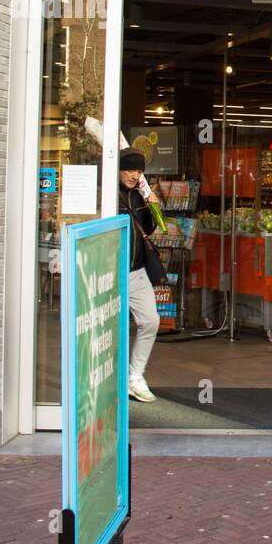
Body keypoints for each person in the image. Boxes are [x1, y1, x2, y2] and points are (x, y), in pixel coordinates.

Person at [117, 149, 161, 403]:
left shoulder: (140, 195)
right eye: (130, 169)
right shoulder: (110, 195)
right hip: (111, 271)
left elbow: (148, 230)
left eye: (138, 170)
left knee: (150, 321)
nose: (134, 175)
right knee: (114, 327)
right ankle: (115, 378)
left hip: (137, 270)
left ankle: (135, 375)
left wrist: (153, 207)